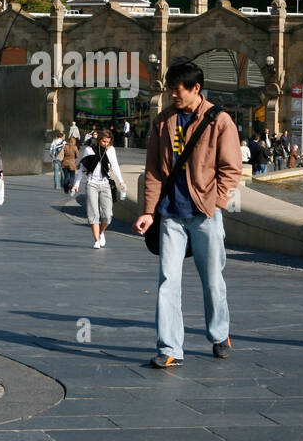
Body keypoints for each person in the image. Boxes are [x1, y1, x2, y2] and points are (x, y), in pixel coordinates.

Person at [135, 60, 241, 368]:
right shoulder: (162, 121)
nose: (172, 94)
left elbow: (231, 169)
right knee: (168, 280)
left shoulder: (219, 120)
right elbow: (154, 170)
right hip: (171, 213)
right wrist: (149, 212)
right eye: (170, 88)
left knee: (212, 279)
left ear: (196, 88)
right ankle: (170, 348)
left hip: (204, 213)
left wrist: (214, 203)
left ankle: (220, 333)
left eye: (178, 89)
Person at [71, 129, 127, 248]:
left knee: (108, 215)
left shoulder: (111, 150)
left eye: (108, 142)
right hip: (92, 183)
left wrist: (121, 181)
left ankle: (101, 232)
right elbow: (82, 169)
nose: (106, 144)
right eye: (104, 141)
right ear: (99, 139)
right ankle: (96, 240)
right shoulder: (89, 150)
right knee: (93, 213)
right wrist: (76, 184)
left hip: (105, 183)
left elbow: (115, 165)